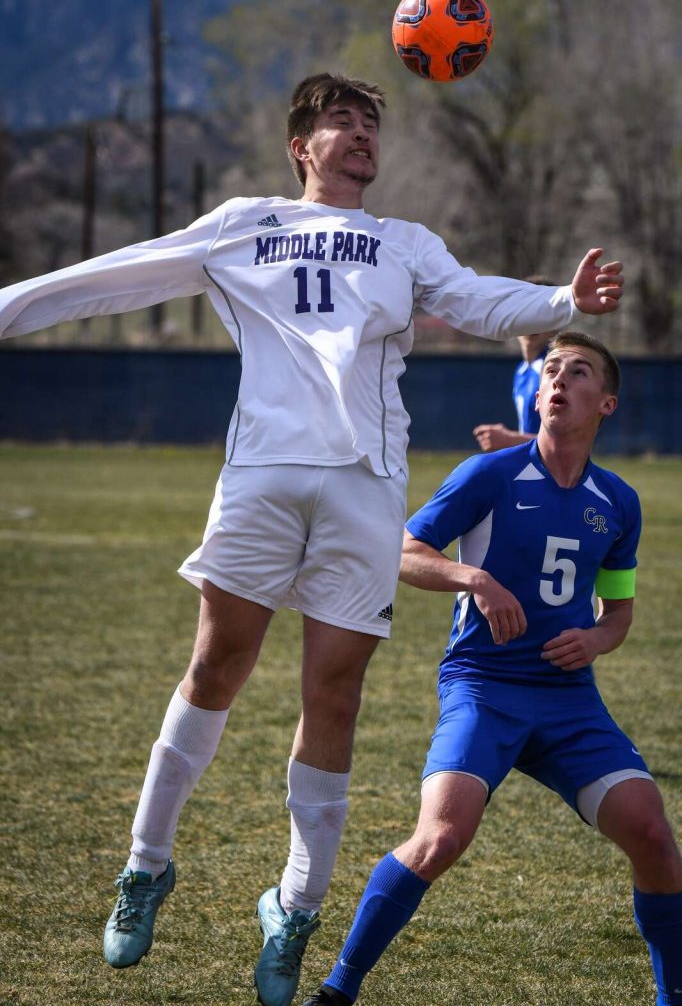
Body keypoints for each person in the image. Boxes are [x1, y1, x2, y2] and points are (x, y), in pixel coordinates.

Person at [0, 75, 625, 1006]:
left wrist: (554, 297)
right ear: (304, 145)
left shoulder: (404, 244)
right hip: (259, 476)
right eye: (344, 121)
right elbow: (115, 273)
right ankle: (146, 865)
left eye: (372, 123)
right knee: (216, 667)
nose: (363, 136)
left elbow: (479, 301)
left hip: (365, 491)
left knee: (332, 696)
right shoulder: (241, 222)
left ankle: (294, 906)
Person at [301, 330, 682, 1006]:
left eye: (579, 372)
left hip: (569, 701)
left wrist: (595, 642)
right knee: (442, 836)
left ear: (607, 403)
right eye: (552, 370)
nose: (558, 379)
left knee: (654, 836)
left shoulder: (618, 503)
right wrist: (472, 576)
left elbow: (617, 613)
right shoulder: (489, 476)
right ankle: (337, 990)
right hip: (484, 687)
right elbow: (405, 551)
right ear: (539, 395)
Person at [473, 276, 555, 452]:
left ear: (557, 321)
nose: (531, 323)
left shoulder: (554, 371)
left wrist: (510, 440)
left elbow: (567, 443)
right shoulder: (523, 370)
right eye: (524, 313)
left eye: (540, 314)